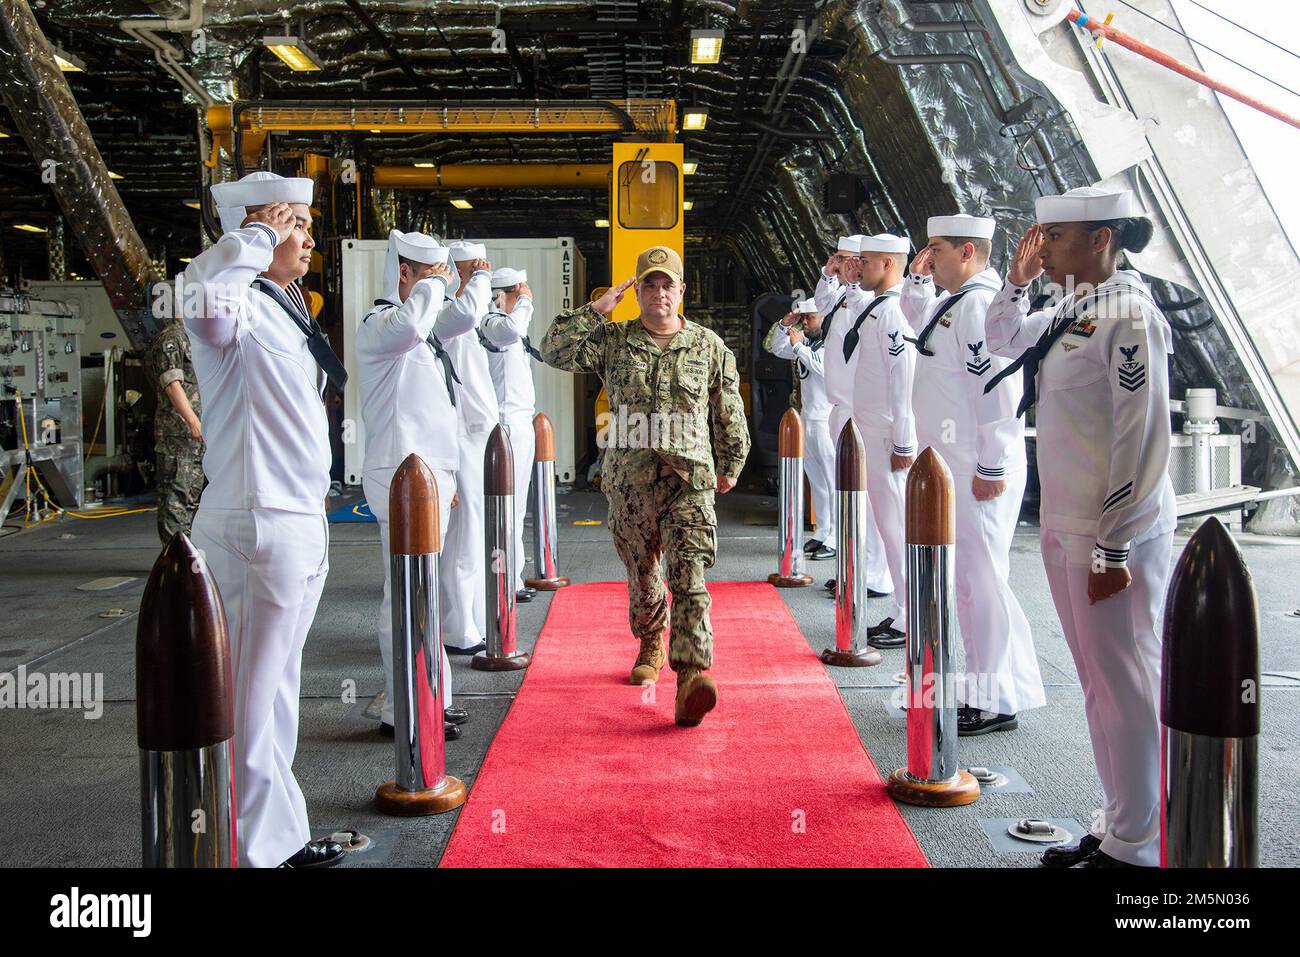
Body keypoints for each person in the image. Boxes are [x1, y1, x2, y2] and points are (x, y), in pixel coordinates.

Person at [983, 186, 1175, 868]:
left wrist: (1114, 541)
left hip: (1108, 530)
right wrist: (1015, 282)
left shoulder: (1130, 317)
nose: (1045, 248)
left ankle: (1139, 844)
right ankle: (1124, 818)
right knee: (1099, 680)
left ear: (1100, 239)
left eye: (1056, 237)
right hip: (1069, 522)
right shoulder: (1076, 306)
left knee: (1124, 679)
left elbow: (1143, 434)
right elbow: (1001, 339)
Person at [186, 171, 350, 868]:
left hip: (297, 521)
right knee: (248, 705)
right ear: (251, 227)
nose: (305, 238)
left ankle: (273, 836)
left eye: (306, 225)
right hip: (254, 523)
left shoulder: (281, 305)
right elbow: (199, 299)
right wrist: (253, 237)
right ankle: (243, 847)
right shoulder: (230, 299)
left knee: (277, 698)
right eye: (293, 223)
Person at [540, 245, 749, 727]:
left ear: (681, 291)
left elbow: (727, 406)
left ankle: (692, 674)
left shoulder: (708, 345)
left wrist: (732, 460)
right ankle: (651, 638)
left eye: (667, 284)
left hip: (689, 479)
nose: (659, 293)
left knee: (690, 576)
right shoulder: (613, 341)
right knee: (644, 573)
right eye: (649, 284)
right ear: (637, 291)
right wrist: (596, 309)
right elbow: (552, 349)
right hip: (630, 481)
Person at [900, 214, 1045, 734]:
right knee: (973, 583)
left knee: (980, 584)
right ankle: (998, 688)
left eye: (936, 248)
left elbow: (999, 393)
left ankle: (992, 700)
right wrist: (917, 281)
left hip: (977, 466)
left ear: (967, 252)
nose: (928, 257)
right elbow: (915, 329)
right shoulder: (955, 303)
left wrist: (990, 465)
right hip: (955, 465)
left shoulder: (980, 304)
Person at [355, 229, 468, 743]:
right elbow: (412, 322)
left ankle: (431, 696)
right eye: (430, 277)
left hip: (428, 481)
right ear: (403, 274)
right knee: (404, 594)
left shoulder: (415, 329)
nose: (440, 291)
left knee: (425, 592)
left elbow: (434, 412)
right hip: (400, 482)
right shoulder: (382, 325)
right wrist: (434, 284)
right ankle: (404, 708)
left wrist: (448, 478)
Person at [844, 233, 916, 648]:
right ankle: (903, 609)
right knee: (887, 526)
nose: (859, 267)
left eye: (866, 261)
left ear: (888, 263)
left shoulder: (894, 312)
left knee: (897, 525)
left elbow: (902, 376)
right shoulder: (878, 307)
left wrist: (903, 442)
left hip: (889, 436)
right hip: (873, 429)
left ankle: (909, 614)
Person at [815, 236, 892, 597]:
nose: (850, 267)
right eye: (844, 260)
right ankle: (854, 565)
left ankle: (876, 574)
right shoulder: (850, 295)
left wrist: (850, 282)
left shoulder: (878, 301)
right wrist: (830, 275)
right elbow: (821, 303)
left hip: (861, 409)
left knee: (871, 501)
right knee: (851, 495)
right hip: (840, 407)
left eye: (855, 260)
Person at [437, 242, 497, 657]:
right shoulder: (448, 310)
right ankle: (458, 626)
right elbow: (469, 311)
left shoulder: (463, 311)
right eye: (472, 267)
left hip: (475, 434)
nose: (481, 271)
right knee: (463, 535)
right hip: (459, 435)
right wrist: (478, 279)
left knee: (475, 534)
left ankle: (471, 617)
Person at [479, 266, 540, 602]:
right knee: (505, 508)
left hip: (519, 423)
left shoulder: (501, 324)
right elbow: (512, 330)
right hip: (505, 426)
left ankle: (511, 577)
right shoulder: (493, 323)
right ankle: (502, 577)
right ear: (504, 296)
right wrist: (525, 304)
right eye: (520, 293)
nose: (525, 299)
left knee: (515, 508)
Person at [762, 297, 835, 558]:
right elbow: (775, 347)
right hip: (807, 417)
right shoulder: (806, 343)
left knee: (832, 478)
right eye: (803, 318)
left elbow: (823, 369)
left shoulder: (831, 345)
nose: (805, 322)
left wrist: (799, 349)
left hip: (828, 420)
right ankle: (823, 531)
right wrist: (785, 324)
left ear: (825, 317)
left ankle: (836, 536)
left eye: (810, 317)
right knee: (816, 479)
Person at [144, 314, 204, 544]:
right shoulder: (172, 338)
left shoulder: (198, 339)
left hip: (197, 434)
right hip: (178, 433)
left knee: (192, 496)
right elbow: (171, 384)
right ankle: (175, 561)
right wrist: (192, 421)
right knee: (176, 498)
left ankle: (190, 557)